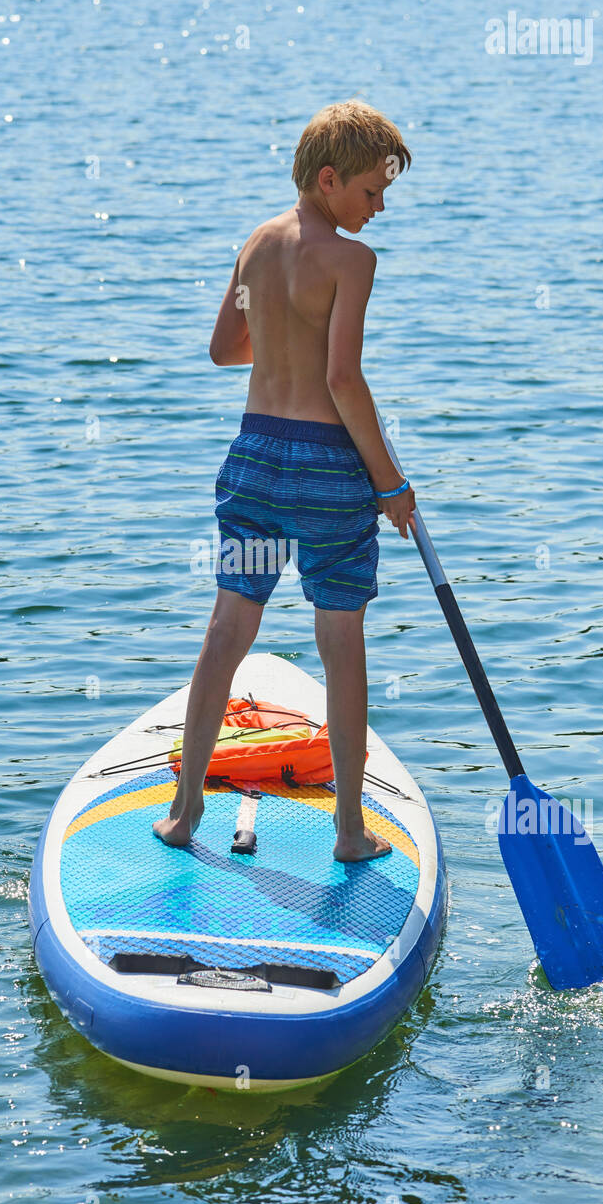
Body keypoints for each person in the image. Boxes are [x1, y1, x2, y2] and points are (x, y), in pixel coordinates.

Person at [153, 99, 416, 861]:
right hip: (329, 473)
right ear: (329, 180)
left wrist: (276, 349)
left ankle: (184, 807)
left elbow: (222, 349)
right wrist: (390, 482)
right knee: (340, 640)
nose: (377, 208)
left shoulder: (257, 245)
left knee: (227, 629)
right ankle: (347, 830)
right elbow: (342, 379)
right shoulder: (350, 262)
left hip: (255, 461)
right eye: (370, 191)